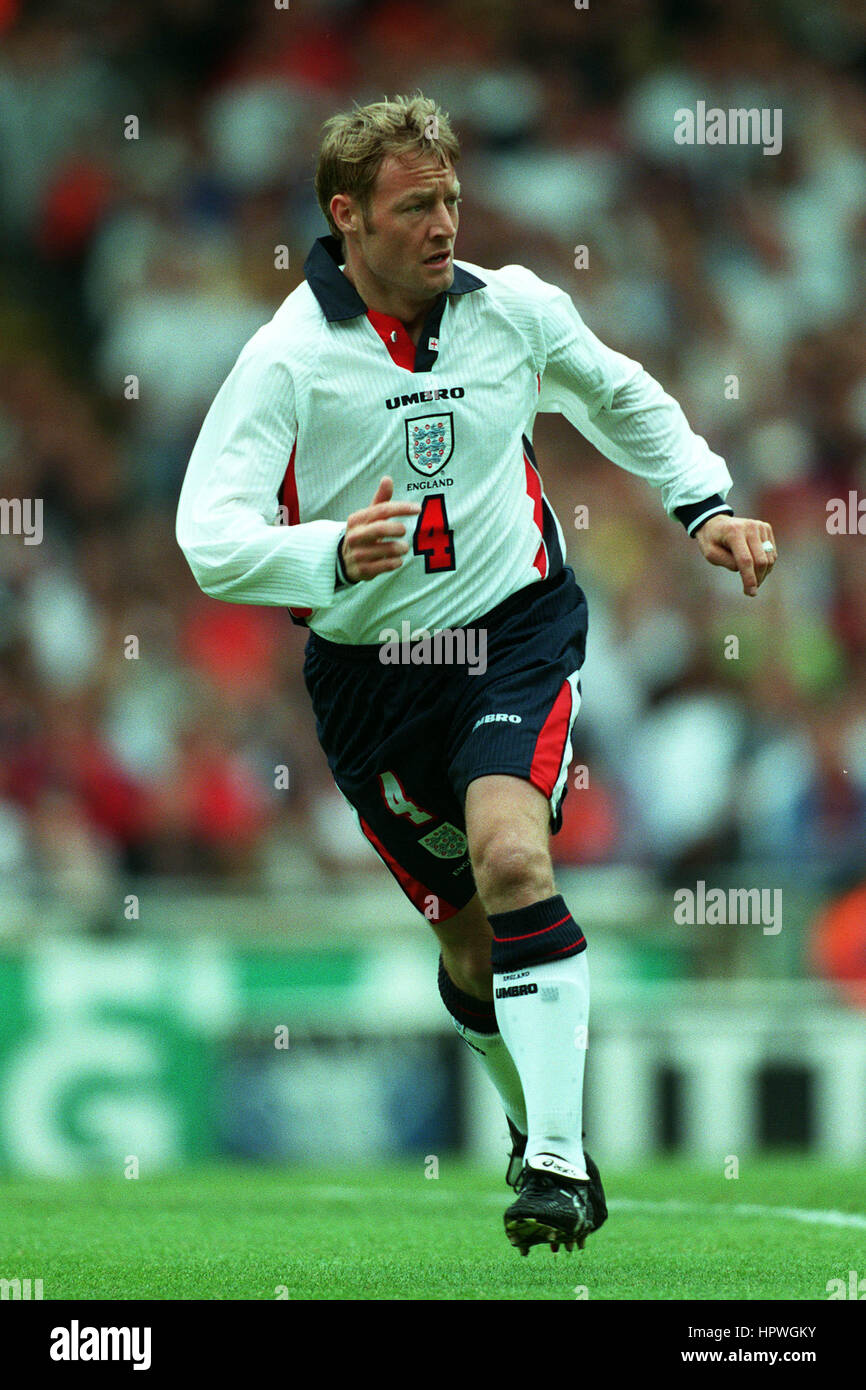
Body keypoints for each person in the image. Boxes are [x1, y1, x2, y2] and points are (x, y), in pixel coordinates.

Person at [176, 92, 777, 1257]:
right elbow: (208, 533)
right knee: (462, 940)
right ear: (346, 216)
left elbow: (615, 391)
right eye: (415, 206)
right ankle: (529, 1122)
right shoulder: (286, 360)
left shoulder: (514, 311)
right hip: (373, 677)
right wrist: (320, 551)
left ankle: (555, 1161)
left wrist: (701, 499)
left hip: (513, 631)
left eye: (451, 196)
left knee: (512, 852)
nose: (445, 222)